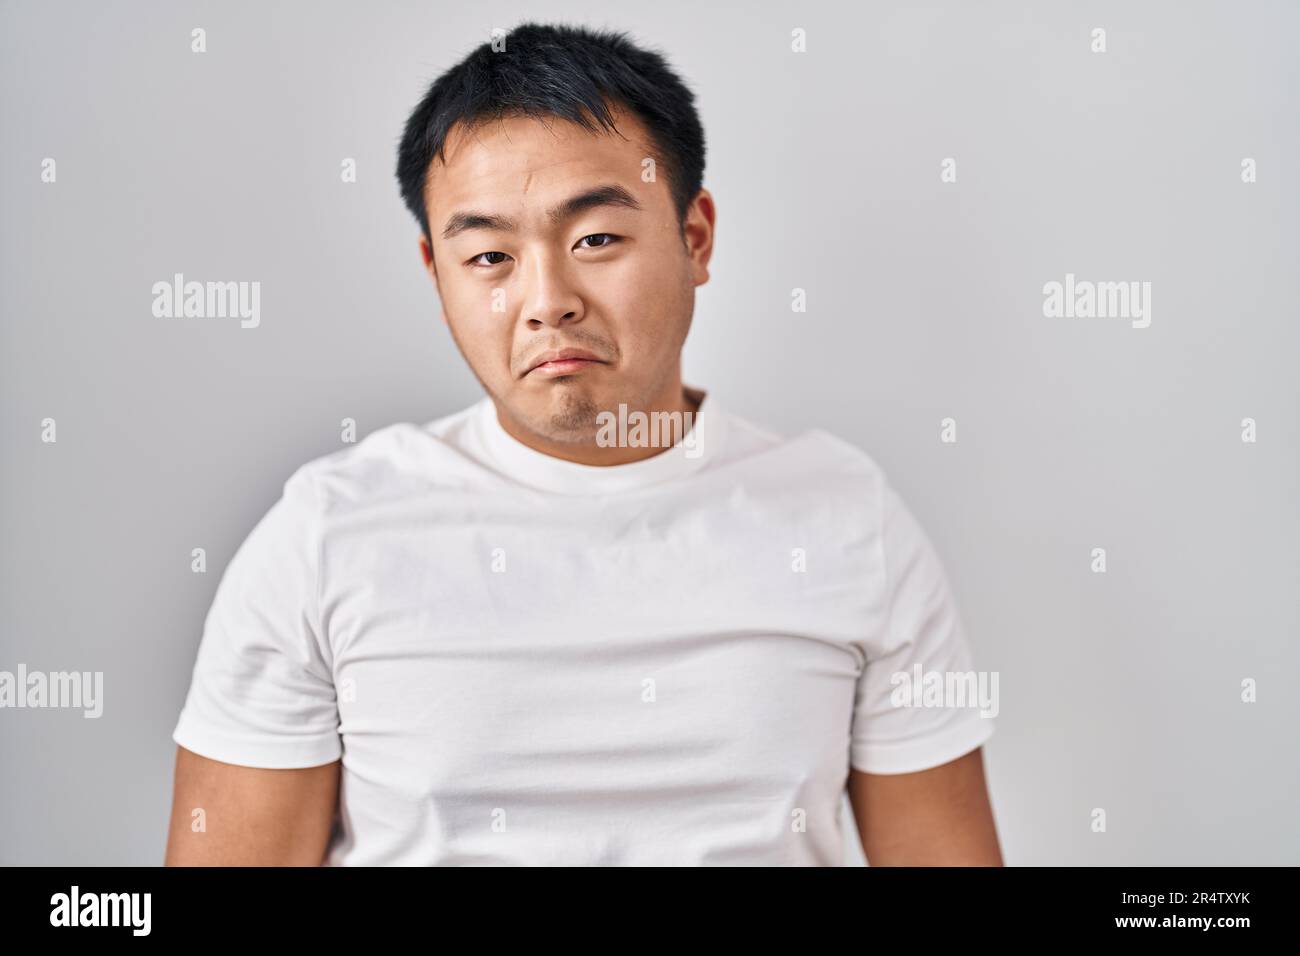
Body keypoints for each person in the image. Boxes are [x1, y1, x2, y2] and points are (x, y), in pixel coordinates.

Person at [165, 21, 1002, 866]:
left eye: (595, 239)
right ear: (436, 274)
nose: (546, 300)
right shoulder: (324, 538)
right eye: (489, 255)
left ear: (694, 236)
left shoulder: (845, 517)